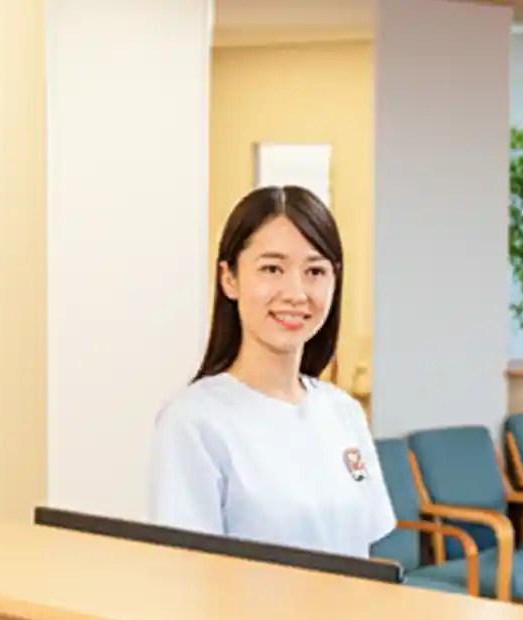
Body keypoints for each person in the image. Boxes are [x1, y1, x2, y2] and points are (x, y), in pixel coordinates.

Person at [148, 185, 396, 559]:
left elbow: (369, 551)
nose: (296, 292)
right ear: (229, 278)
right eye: (272, 269)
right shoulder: (193, 422)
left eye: (315, 270)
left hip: (348, 618)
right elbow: (183, 578)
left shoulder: (343, 412)